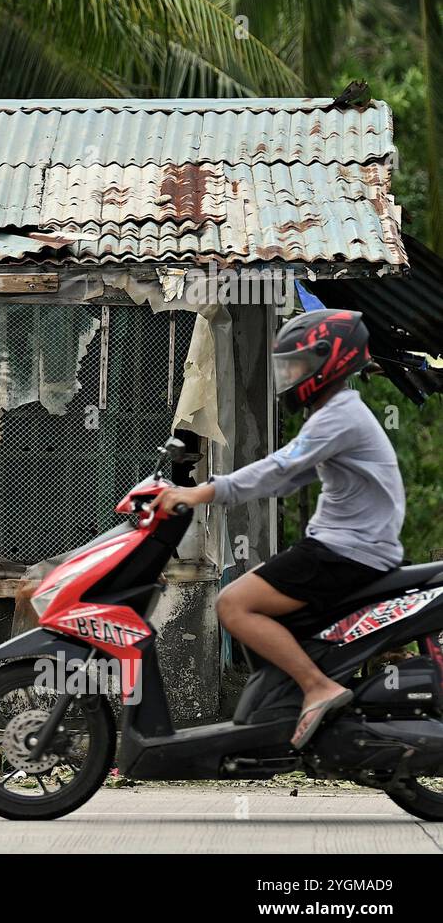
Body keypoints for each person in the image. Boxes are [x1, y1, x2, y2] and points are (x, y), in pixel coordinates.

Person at [153, 308, 404, 750]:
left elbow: (278, 468)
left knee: (233, 605)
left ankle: (317, 687)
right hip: (345, 547)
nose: (291, 375)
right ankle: (283, 706)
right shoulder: (339, 415)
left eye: (301, 364)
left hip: (345, 551)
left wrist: (201, 493)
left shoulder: (339, 417)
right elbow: (289, 477)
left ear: (332, 361)